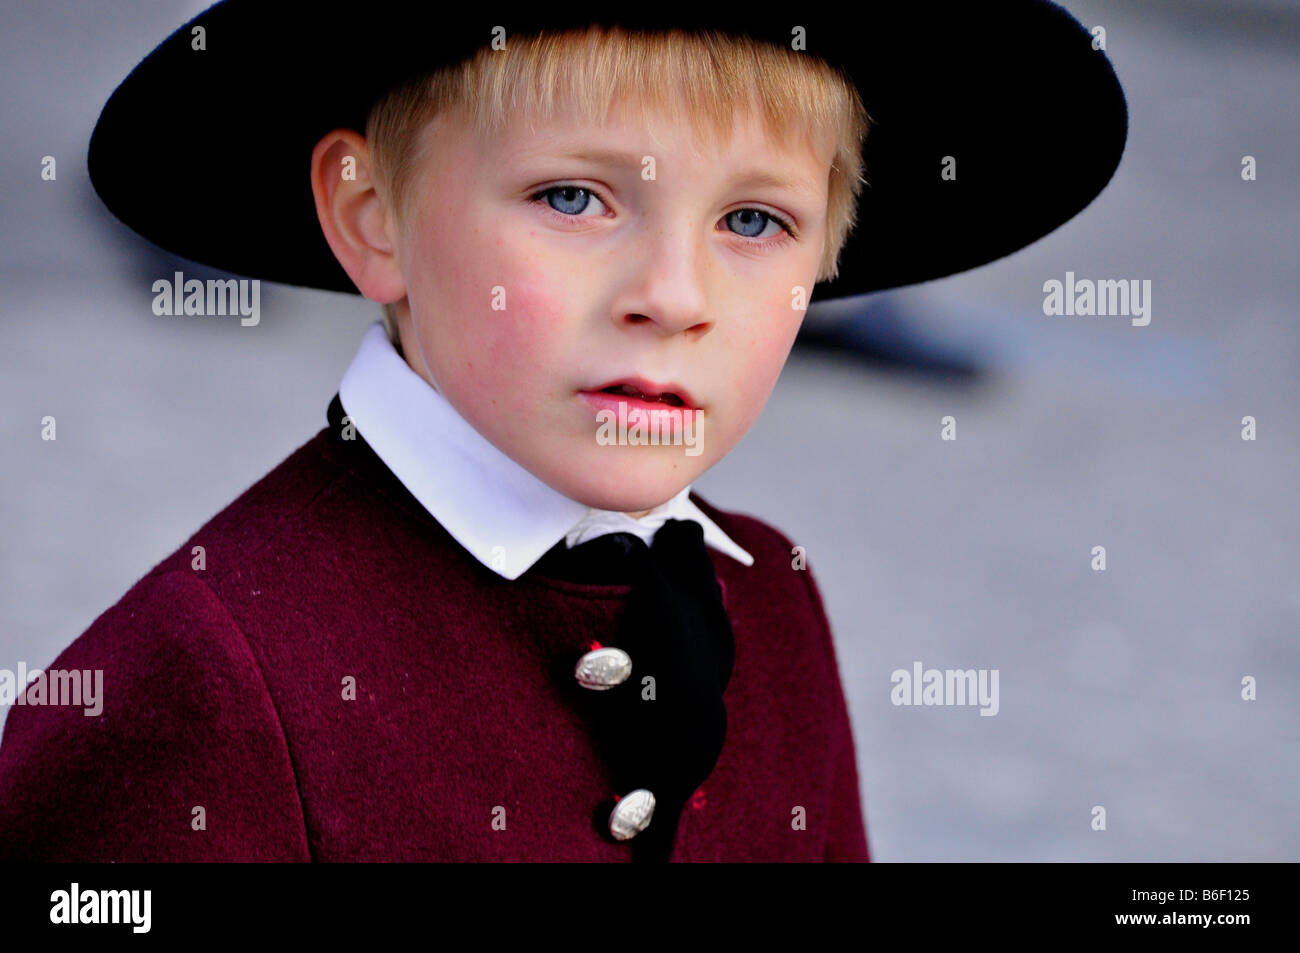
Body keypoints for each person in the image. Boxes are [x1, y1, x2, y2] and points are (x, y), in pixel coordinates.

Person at [0, 1, 1126, 861]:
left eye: (752, 219)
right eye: (573, 198)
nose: (673, 293)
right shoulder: (205, 679)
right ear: (369, 214)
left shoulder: (774, 596)